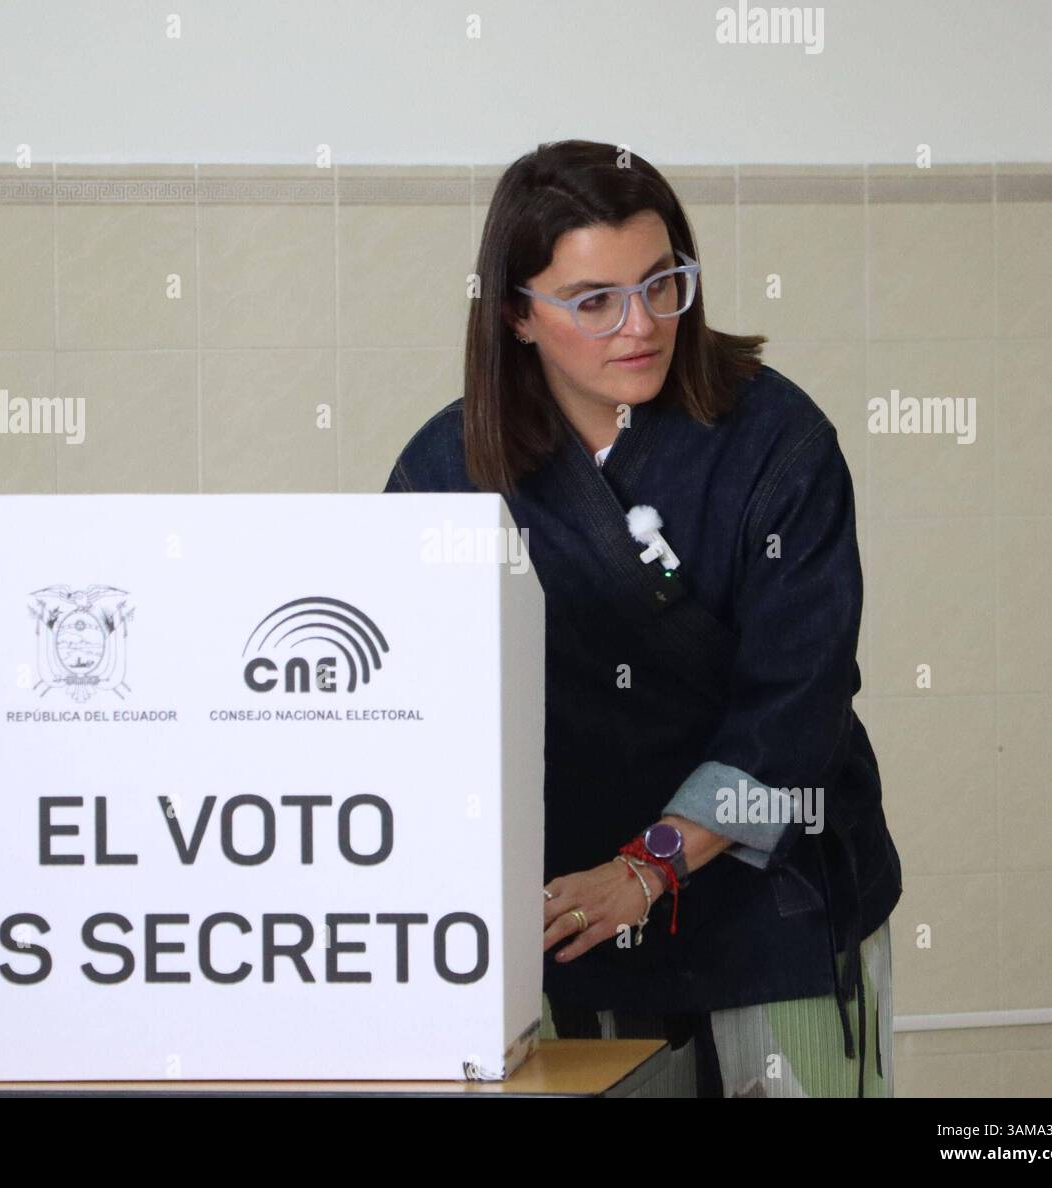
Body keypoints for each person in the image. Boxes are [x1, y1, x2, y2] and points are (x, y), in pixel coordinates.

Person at [382, 139, 902, 1097]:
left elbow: (800, 706)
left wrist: (652, 864)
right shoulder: (446, 472)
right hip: (570, 927)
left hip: (770, 910)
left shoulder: (777, 444)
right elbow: (410, 715)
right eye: (594, 302)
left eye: (664, 284)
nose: (642, 325)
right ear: (516, 316)